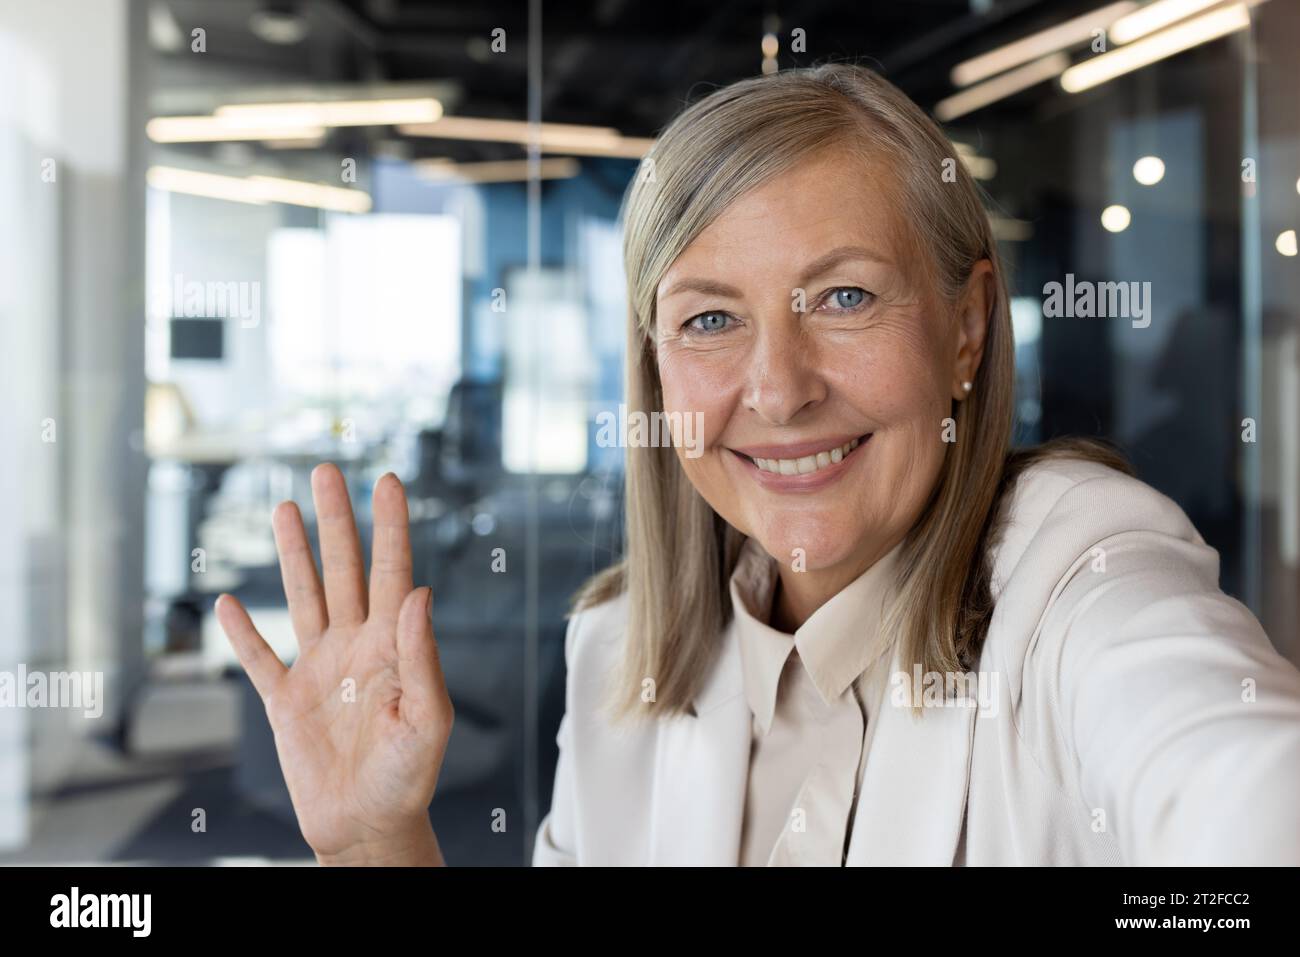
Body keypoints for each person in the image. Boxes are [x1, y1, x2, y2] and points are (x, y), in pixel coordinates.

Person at [215, 63, 1300, 866]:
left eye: (843, 298)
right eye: (710, 320)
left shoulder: (1084, 573)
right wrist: (375, 841)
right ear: (653, 364)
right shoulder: (615, 658)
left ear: (966, 327)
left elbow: (1243, 790)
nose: (777, 391)